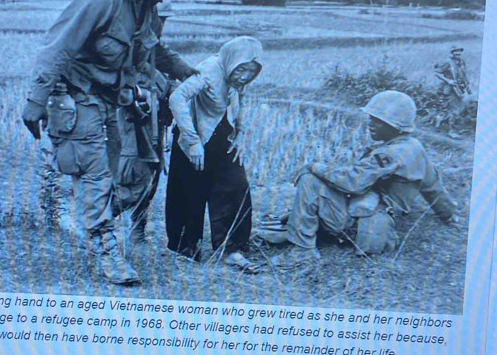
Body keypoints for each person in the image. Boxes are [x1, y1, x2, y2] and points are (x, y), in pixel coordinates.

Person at [22, 0, 197, 285]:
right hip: (75, 95)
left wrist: (188, 72)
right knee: (96, 174)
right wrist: (36, 100)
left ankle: (86, 216)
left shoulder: (146, 8)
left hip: (112, 99)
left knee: (135, 171)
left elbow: (154, 51)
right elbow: (57, 48)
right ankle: (107, 252)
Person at [270, 90, 460, 268]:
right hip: (376, 223)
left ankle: (302, 252)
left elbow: (352, 183)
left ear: (395, 126)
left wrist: (314, 166)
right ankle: (302, 222)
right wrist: (448, 214)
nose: (370, 123)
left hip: (363, 228)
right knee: (320, 187)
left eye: (377, 120)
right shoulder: (414, 147)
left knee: (309, 180)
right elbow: (433, 187)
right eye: (372, 118)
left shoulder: (388, 154)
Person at [166, 36, 264, 274]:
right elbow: (177, 98)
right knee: (191, 192)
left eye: (249, 72)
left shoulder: (236, 78)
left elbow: (238, 98)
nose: (243, 76)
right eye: (241, 69)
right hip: (193, 135)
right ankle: (186, 249)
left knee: (237, 186)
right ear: (231, 61)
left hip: (222, 136)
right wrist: (192, 142)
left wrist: (240, 132)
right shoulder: (208, 71)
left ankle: (234, 249)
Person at [115, 0, 179, 248]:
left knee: (151, 180)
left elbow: (169, 80)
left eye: (163, 21)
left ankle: (138, 231)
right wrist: (141, 94)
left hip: (156, 126)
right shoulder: (126, 49)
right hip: (131, 124)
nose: (160, 25)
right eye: (158, 19)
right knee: (133, 179)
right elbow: (118, 87)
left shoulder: (158, 53)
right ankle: (99, 226)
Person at [433, 46, 472, 133]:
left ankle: (439, 118)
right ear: (452, 53)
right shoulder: (447, 62)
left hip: (460, 89)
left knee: (456, 109)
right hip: (450, 89)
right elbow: (436, 73)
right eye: (456, 52)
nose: (458, 53)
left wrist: (468, 86)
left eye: (460, 52)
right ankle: (452, 131)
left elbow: (464, 75)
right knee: (455, 110)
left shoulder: (461, 62)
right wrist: (448, 81)